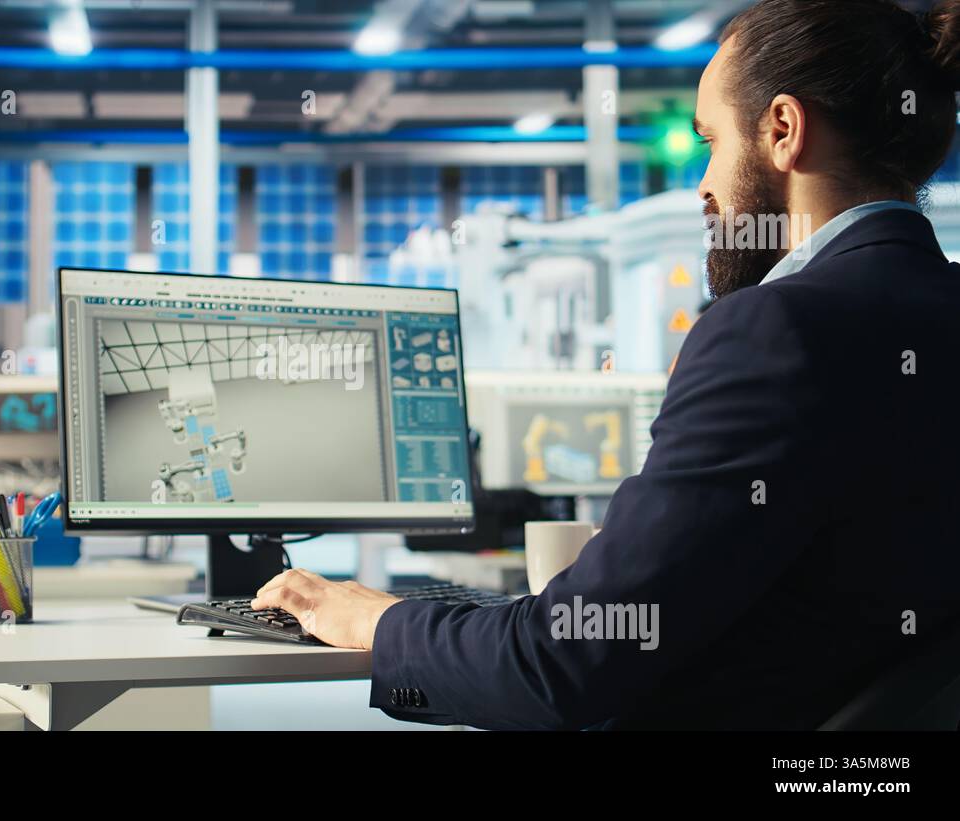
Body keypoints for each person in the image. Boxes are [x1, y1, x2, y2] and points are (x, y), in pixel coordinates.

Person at [250, 0, 960, 729]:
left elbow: (562, 664)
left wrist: (374, 618)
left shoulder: (773, 329)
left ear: (783, 129)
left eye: (710, 141)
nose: (702, 185)